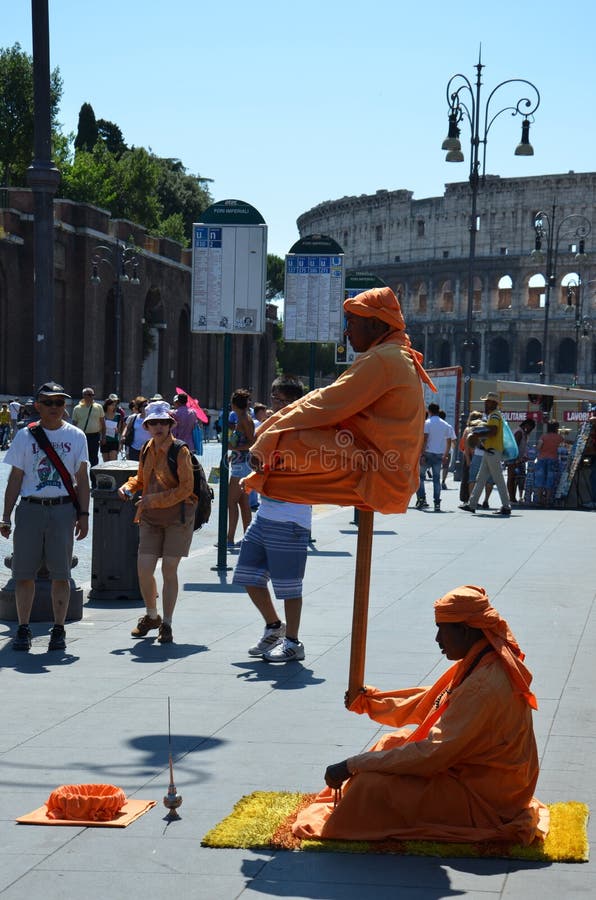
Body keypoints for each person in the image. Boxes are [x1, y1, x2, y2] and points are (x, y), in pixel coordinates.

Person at [292, 584, 547, 846]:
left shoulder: (484, 683)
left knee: (369, 787)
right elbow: (429, 702)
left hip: (488, 798)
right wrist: (369, 701)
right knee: (390, 743)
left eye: (442, 630)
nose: (438, 639)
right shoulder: (481, 661)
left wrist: (352, 764)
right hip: (477, 775)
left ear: (465, 630)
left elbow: (432, 755)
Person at [243, 287, 434, 512]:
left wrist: (268, 436)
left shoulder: (384, 359)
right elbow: (322, 399)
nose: (346, 332)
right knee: (279, 449)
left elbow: (323, 404)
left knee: (289, 441)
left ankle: (261, 480)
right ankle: (262, 480)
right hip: (390, 475)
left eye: (351, 323)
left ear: (374, 324)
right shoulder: (395, 355)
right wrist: (269, 429)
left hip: (379, 476)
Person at [1, 381, 90, 652]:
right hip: (30, 508)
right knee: (23, 574)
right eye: (49, 402)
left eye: (60, 402)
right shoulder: (24, 436)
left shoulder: (76, 436)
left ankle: (59, 629)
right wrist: (5, 515)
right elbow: (15, 478)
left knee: (61, 574)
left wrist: (83, 515)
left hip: (63, 510)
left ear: (66, 406)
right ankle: (23, 628)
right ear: (37, 405)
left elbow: (82, 479)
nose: (55, 407)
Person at [233, 375, 311, 662]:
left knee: (289, 586)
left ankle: (293, 642)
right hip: (265, 513)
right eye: (274, 399)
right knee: (248, 575)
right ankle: (274, 627)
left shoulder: (305, 428)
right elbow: (257, 448)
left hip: (292, 517)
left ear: (295, 402)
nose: (275, 405)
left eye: (281, 401)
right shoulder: (273, 427)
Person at [118, 401, 197, 644]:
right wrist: (129, 486)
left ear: (171, 424)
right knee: (143, 569)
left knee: (169, 569)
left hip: (177, 517)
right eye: (153, 422)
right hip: (150, 516)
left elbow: (186, 488)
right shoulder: (145, 448)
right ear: (147, 426)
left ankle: (168, 623)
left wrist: (154, 499)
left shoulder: (180, 451)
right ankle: (152, 616)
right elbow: (141, 478)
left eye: (163, 422)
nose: (159, 426)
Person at [460, 392, 511, 516]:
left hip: (492, 451)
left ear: (493, 403)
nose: (485, 404)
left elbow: (493, 431)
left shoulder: (494, 416)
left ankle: (506, 506)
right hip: (490, 451)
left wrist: (478, 433)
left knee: (498, 480)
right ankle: (472, 504)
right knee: (481, 479)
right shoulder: (495, 415)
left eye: (487, 402)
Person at [227, 388, 255, 547]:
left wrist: (235, 449)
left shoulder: (244, 419)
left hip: (242, 466)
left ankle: (229, 538)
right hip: (241, 462)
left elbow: (252, 443)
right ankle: (247, 537)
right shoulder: (242, 418)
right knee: (243, 502)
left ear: (234, 404)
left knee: (231, 501)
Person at [415, 402, 454, 511]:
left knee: (420, 477)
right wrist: (445, 455)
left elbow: (425, 439)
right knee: (437, 479)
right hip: (439, 455)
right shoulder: (445, 425)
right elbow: (449, 442)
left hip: (427, 453)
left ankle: (422, 498)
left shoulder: (427, 423)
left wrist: (421, 454)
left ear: (430, 411)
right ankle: (437, 502)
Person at [533, 420, 565, 507]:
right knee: (550, 479)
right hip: (553, 459)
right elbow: (564, 445)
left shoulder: (543, 436)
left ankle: (539, 500)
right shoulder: (559, 437)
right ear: (556, 428)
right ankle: (547, 500)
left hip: (541, 459)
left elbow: (539, 447)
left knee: (540, 479)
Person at [71, 387, 105, 467]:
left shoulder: (99, 407)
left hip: (94, 436)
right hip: (81, 436)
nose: (91, 397)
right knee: (82, 456)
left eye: (92, 395)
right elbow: (74, 425)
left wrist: (103, 437)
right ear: (84, 395)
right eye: (89, 395)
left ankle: (93, 476)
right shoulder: (77, 408)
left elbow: (103, 423)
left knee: (94, 457)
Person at [507, 418, 536, 503]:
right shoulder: (519, 433)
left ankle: (512, 497)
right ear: (527, 425)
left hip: (517, 458)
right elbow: (515, 446)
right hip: (514, 458)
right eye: (531, 428)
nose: (531, 430)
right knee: (511, 478)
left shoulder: (522, 433)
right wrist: (516, 459)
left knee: (515, 478)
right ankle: (511, 497)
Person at [122, 396, 149, 461]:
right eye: (144, 405)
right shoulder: (134, 417)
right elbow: (127, 428)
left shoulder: (150, 418)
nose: (147, 407)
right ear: (140, 407)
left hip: (148, 449)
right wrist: (123, 436)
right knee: (134, 469)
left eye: (147, 405)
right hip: (134, 449)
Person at [101, 397, 124, 462]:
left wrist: (117, 430)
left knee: (112, 463)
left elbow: (119, 431)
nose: (113, 407)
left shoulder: (118, 416)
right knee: (105, 463)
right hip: (104, 441)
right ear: (107, 405)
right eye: (111, 405)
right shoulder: (102, 415)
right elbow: (100, 428)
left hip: (114, 441)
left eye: (114, 405)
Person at [438, 410, 456, 489]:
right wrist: (453, 448)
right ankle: (443, 481)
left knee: (436, 466)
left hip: (436, 450)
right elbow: (453, 440)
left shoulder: (432, 425)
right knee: (445, 467)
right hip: (447, 450)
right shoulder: (448, 426)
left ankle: (437, 480)